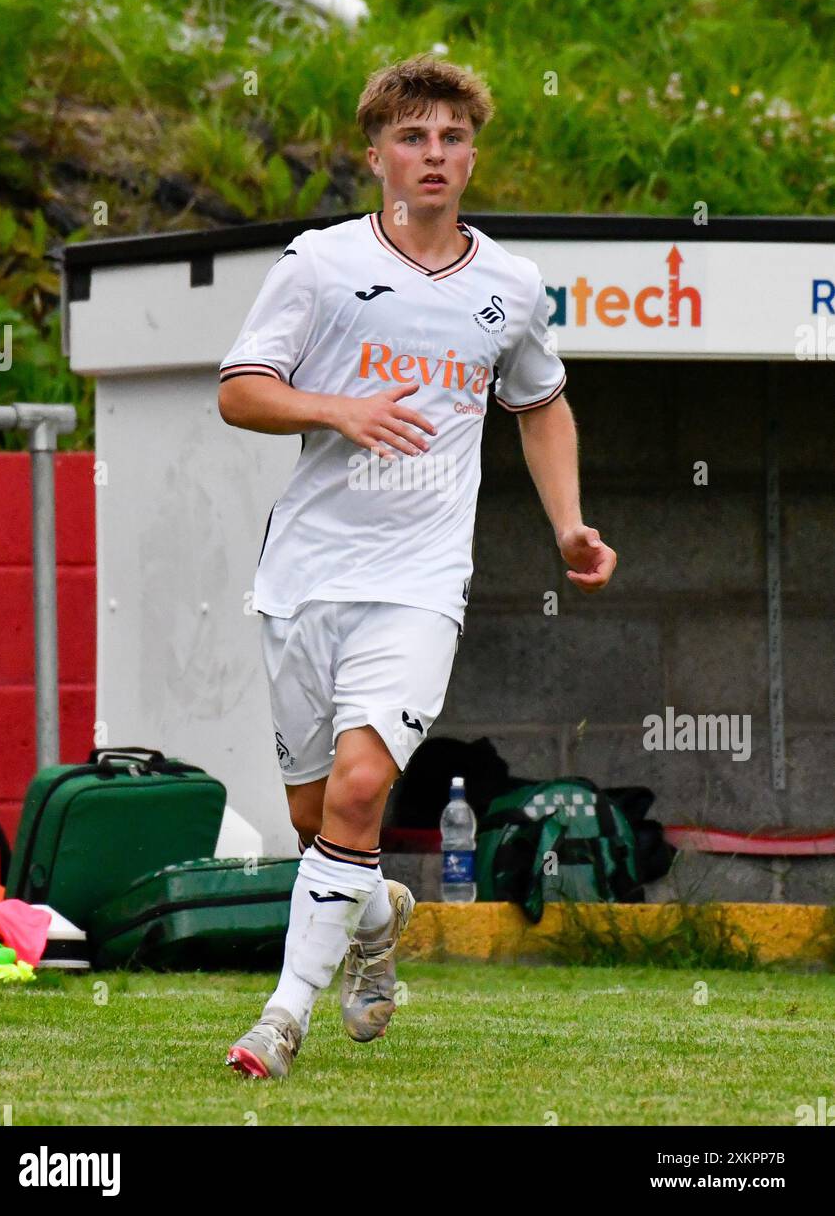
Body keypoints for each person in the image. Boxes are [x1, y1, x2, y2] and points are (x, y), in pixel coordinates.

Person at [217, 53, 617, 1079]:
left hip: (420, 582)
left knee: (358, 791)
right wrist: (335, 406)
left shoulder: (510, 287)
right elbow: (241, 391)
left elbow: (541, 405)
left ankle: (279, 1017)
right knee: (316, 821)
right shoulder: (315, 264)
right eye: (411, 137)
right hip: (303, 578)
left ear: (470, 156)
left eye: (448, 137)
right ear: (376, 157)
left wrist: (568, 525)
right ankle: (374, 908)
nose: (431, 154)